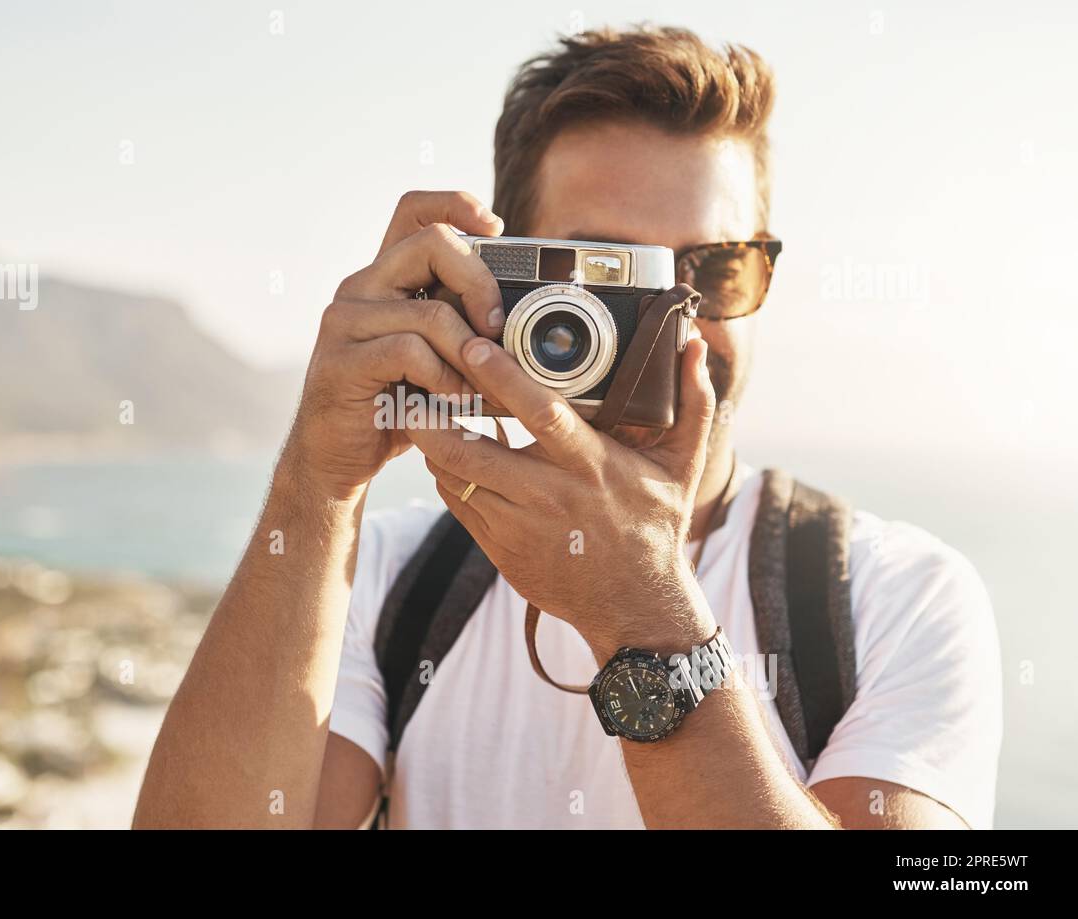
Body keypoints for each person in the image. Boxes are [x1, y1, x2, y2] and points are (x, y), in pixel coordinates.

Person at [133, 24, 1001, 829]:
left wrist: (644, 614)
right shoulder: (392, 583)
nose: (675, 321)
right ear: (497, 289)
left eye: (716, 269)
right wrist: (319, 486)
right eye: (609, 278)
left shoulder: (891, 600)